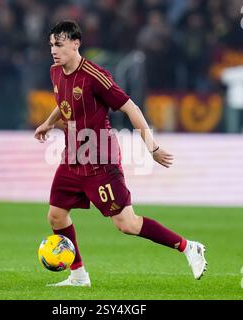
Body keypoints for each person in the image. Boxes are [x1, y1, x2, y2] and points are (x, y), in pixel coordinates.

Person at [34, 21, 207, 287]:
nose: (53, 51)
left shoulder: (95, 76)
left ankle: (188, 247)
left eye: (59, 44)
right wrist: (48, 122)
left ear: (75, 43)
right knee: (56, 215)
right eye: (51, 46)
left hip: (100, 160)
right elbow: (64, 103)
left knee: (127, 223)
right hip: (72, 157)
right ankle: (79, 277)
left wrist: (153, 147)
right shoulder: (55, 72)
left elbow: (131, 108)